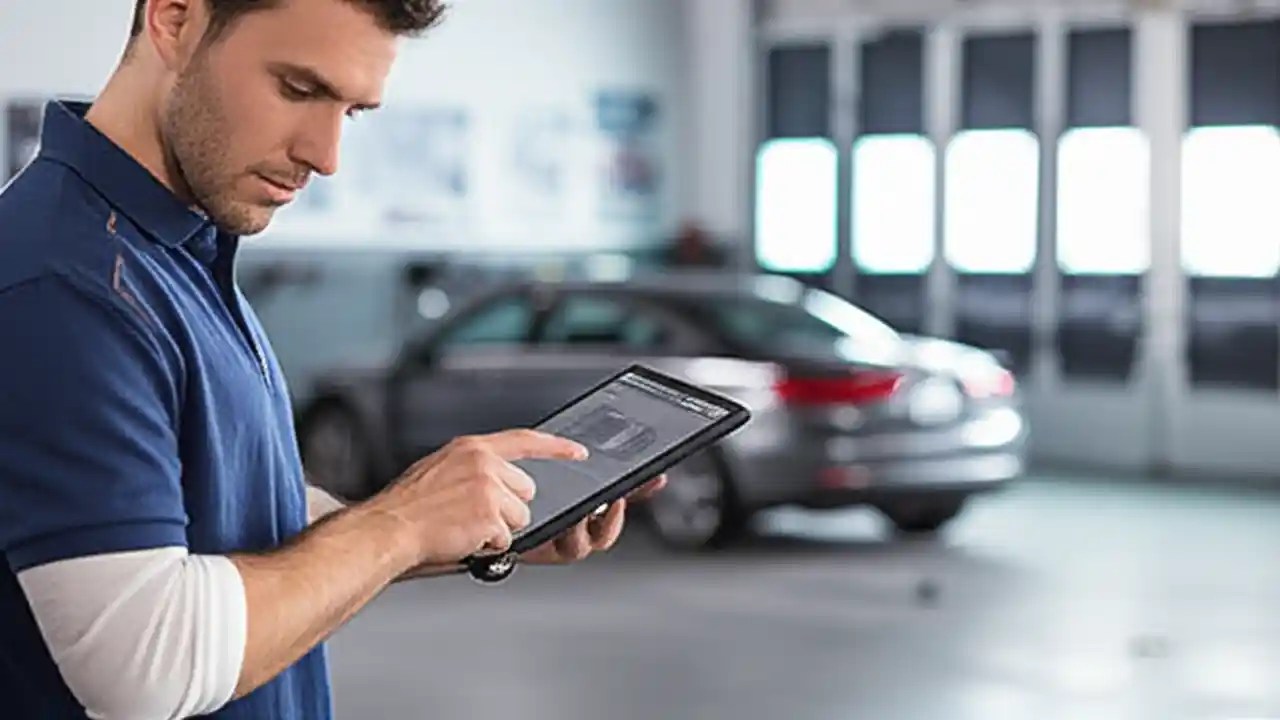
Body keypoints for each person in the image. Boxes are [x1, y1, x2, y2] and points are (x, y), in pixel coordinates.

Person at [0, 1, 665, 718]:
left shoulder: (172, 249)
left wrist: (459, 525)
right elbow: (143, 664)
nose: (325, 155)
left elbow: (243, 518)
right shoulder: (65, 283)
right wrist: (400, 523)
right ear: (175, 18)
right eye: (298, 89)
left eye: (352, 112)